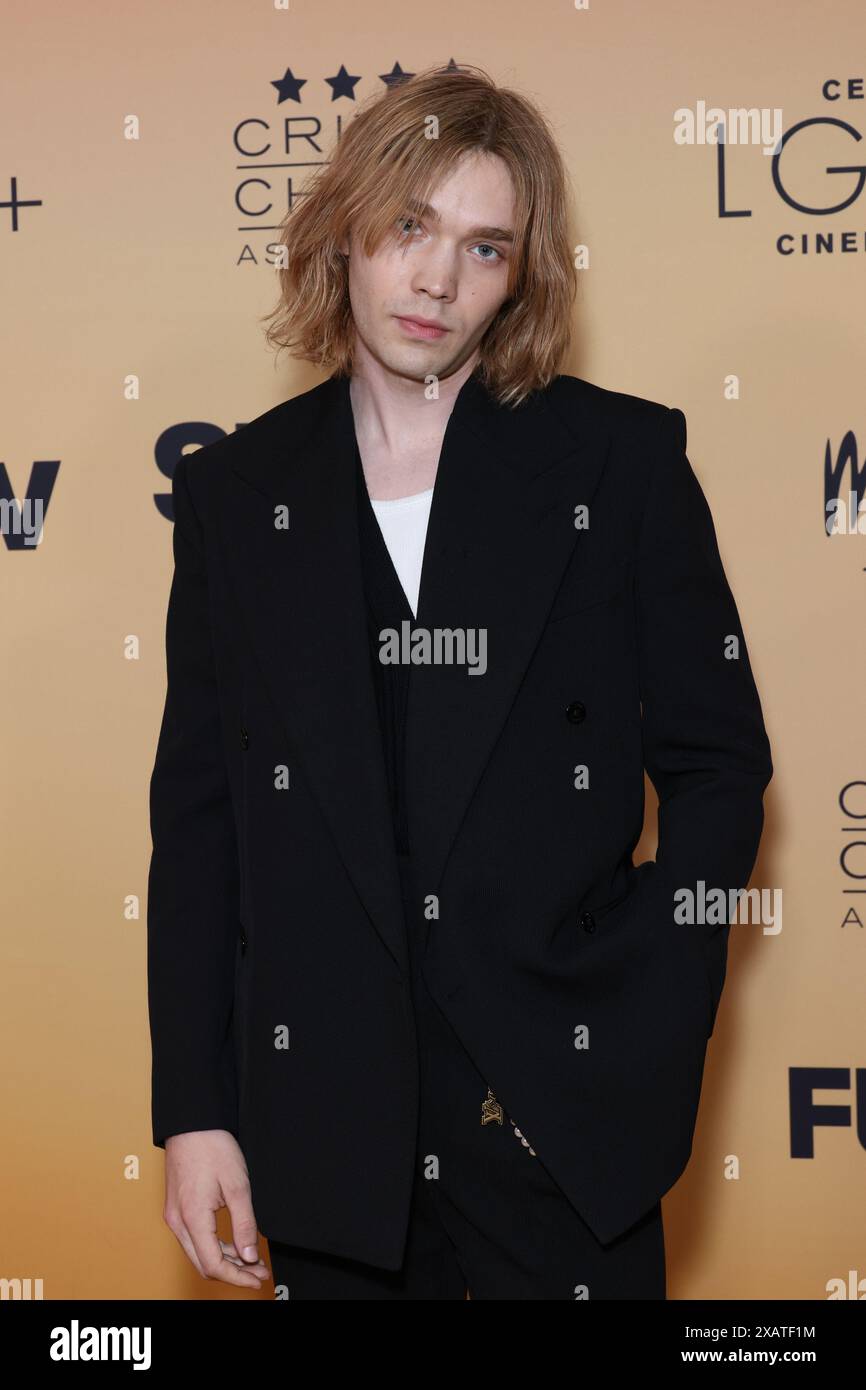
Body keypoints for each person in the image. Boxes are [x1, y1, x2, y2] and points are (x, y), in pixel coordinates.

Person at [146, 63, 773, 1300]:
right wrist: (194, 1108)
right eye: (409, 228)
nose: (437, 280)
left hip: (562, 1127)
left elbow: (717, 765)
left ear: (520, 276)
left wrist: (640, 1009)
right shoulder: (237, 498)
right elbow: (202, 820)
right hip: (324, 1140)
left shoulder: (622, 463)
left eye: (485, 248)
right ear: (344, 232)